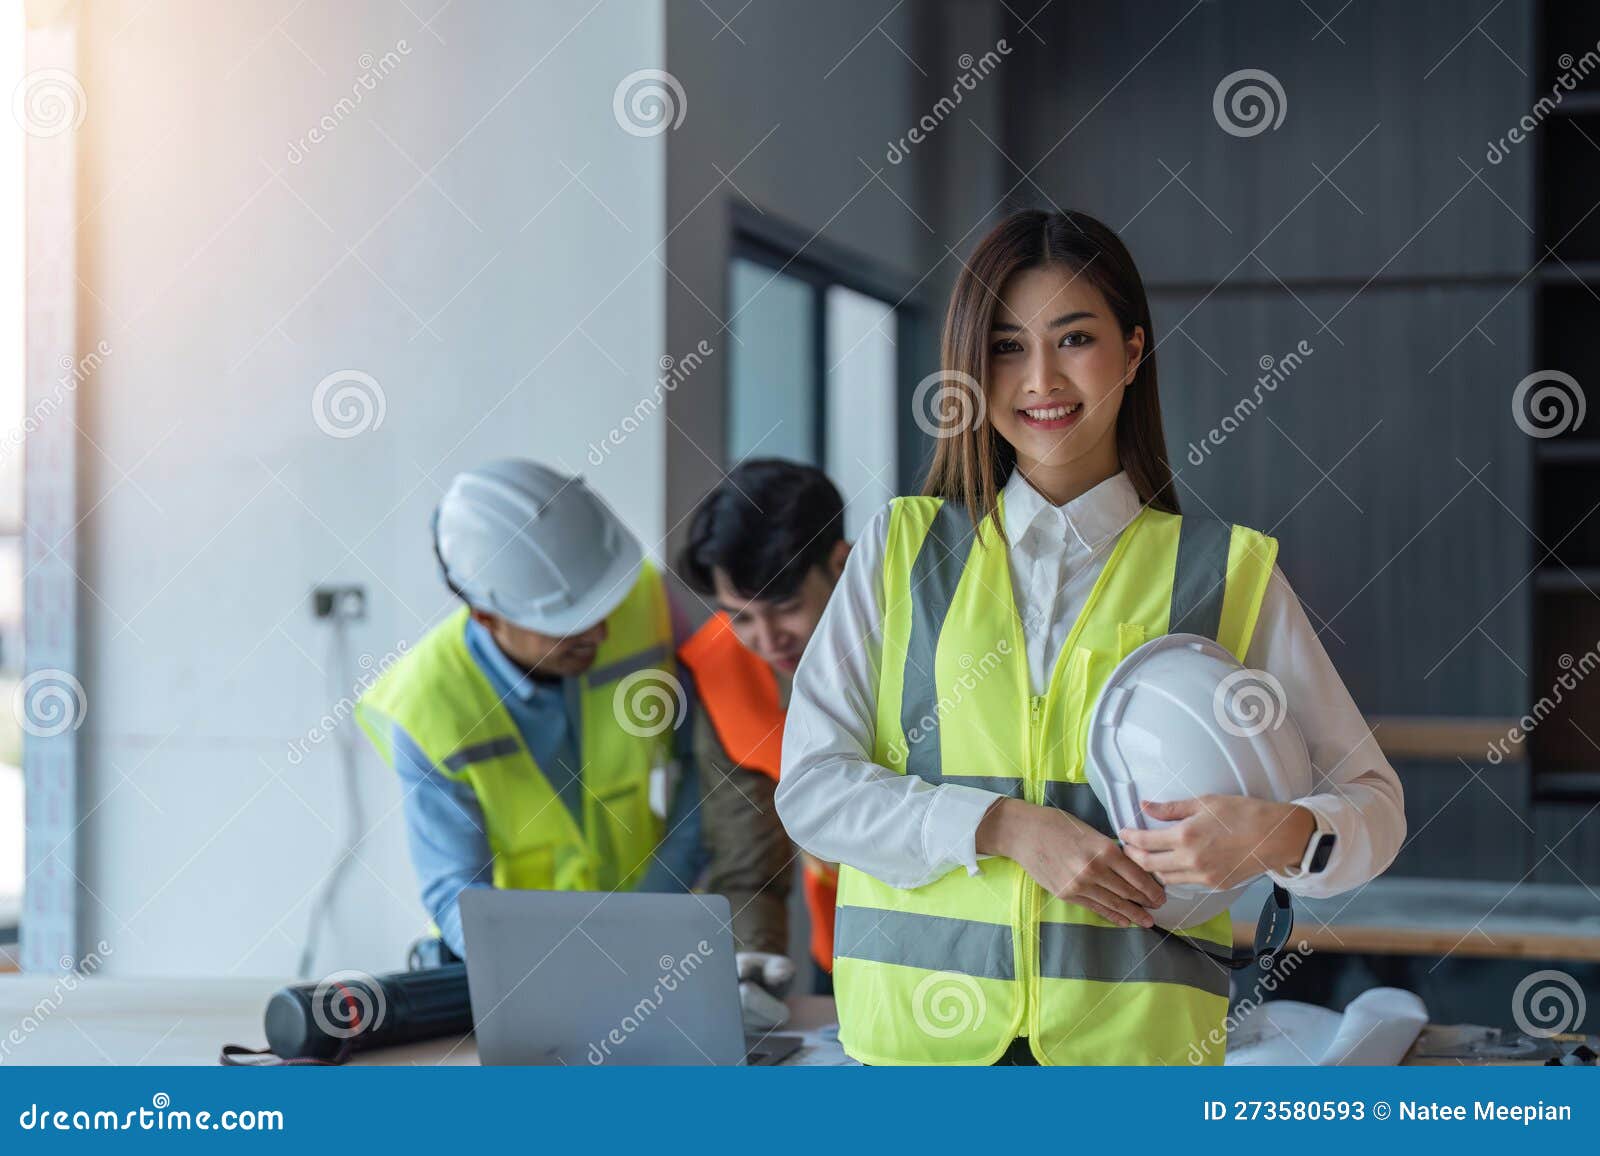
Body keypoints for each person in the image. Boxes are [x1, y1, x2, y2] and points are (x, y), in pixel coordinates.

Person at [776, 208, 1406, 1066]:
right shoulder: (901, 550)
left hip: (1134, 1067)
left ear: (1134, 351)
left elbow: (1373, 806)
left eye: (1074, 338)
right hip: (918, 1056)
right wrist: (999, 825)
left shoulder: (1223, 573)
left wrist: (1271, 837)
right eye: (1005, 346)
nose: (1040, 378)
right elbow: (811, 792)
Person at [356, 460, 708, 963]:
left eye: (600, 611)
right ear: (487, 617)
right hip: (530, 963)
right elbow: (456, 887)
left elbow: (708, 775)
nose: (600, 635)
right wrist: (529, 967)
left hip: (656, 934)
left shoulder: (642, 603)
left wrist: (646, 917)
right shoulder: (429, 706)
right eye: (568, 626)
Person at [676, 459, 849, 995]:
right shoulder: (720, 667)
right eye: (741, 615)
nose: (767, 638)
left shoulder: (927, 639)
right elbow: (747, 858)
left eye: (786, 607)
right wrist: (752, 965)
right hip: (842, 958)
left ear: (840, 565)